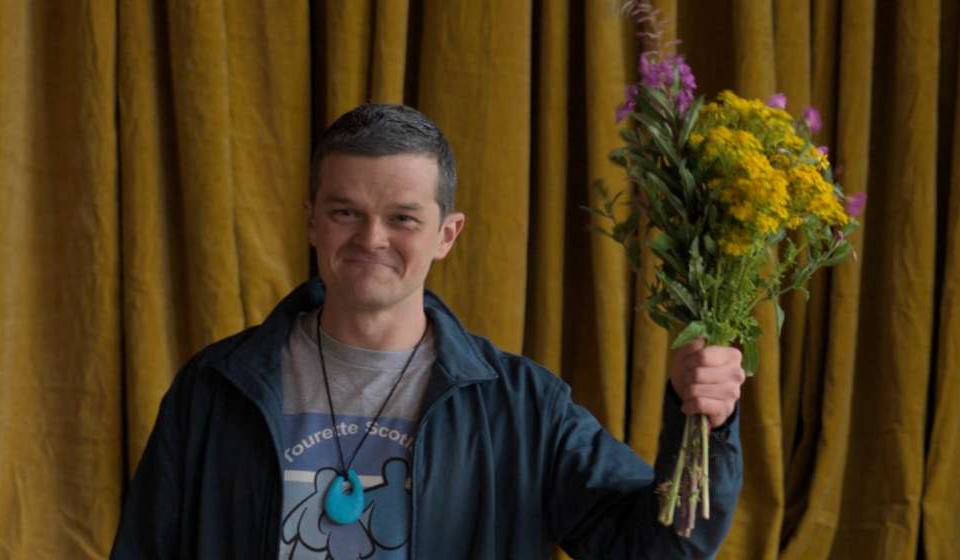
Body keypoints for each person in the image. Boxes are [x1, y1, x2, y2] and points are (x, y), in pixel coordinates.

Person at [112, 104, 746, 558]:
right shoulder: (214, 389)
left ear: (447, 234)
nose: (371, 238)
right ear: (311, 221)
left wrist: (705, 425)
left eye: (402, 218)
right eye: (346, 212)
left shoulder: (523, 408)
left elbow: (656, 548)